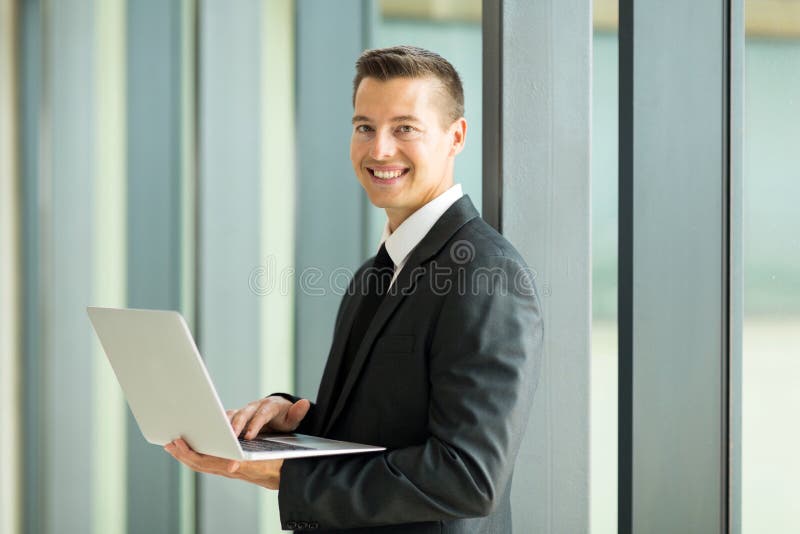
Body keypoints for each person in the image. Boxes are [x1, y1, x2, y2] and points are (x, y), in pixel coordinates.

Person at [166, 45, 543, 533]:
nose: (379, 149)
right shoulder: (375, 272)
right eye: (365, 127)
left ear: (456, 137)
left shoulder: (488, 275)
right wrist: (295, 423)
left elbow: (468, 477)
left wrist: (287, 475)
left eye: (404, 128)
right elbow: (390, 427)